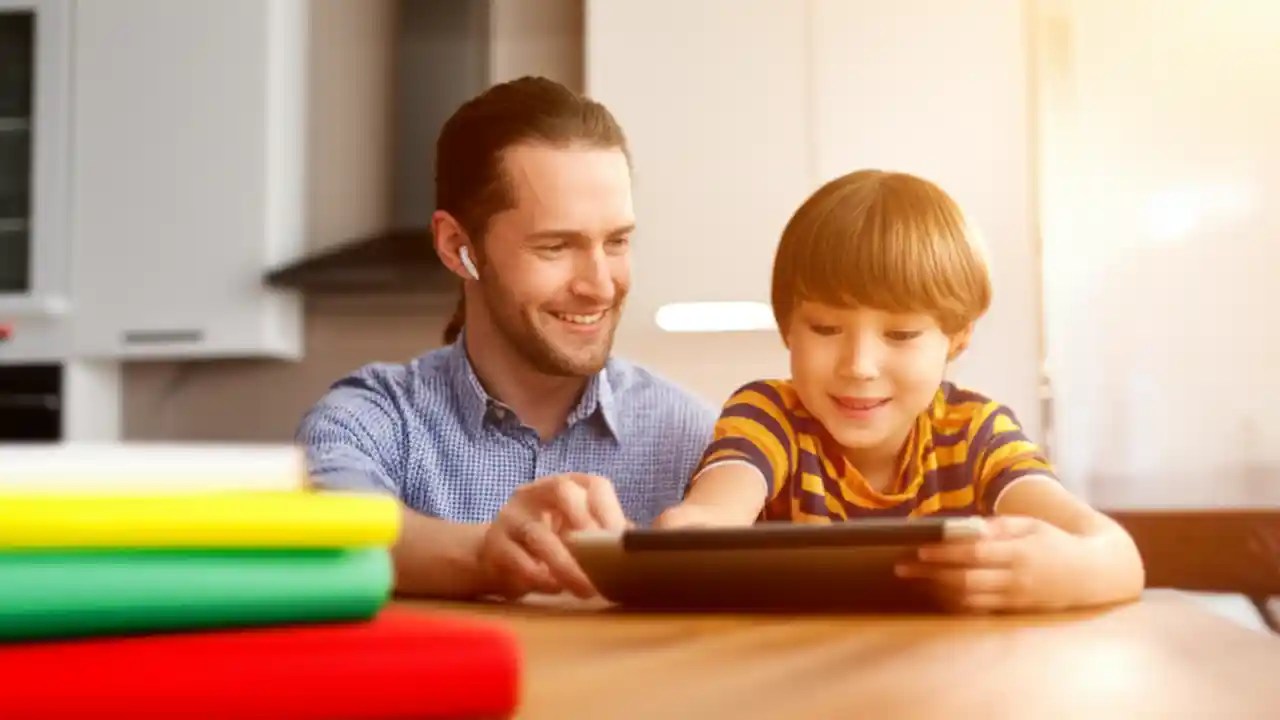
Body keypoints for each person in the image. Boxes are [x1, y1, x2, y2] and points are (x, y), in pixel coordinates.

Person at [298, 77, 716, 601]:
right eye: (556, 246)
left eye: (617, 241)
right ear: (458, 247)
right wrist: (484, 556)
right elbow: (332, 531)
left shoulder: (699, 441)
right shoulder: (372, 420)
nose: (601, 285)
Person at [655, 169, 1145, 612]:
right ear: (787, 328)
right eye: (826, 328)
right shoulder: (769, 417)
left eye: (902, 335)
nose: (859, 366)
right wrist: (689, 533)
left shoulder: (976, 433)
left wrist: (1065, 576)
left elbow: (1116, 554)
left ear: (958, 337)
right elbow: (709, 522)